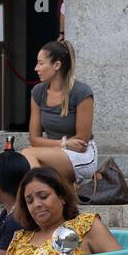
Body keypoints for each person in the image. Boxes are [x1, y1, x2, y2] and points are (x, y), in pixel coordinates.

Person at [20, 39, 97, 185]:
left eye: (41, 63)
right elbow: (34, 139)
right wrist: (64, 143)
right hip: (57, 151)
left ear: (57, 65)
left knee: (27, 154)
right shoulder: (38, 92)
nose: (36, 68)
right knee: (19, 163)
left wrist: (61, 146)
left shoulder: (81, 92)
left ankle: (40, 193)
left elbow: (81, 142)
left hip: (82, 156)